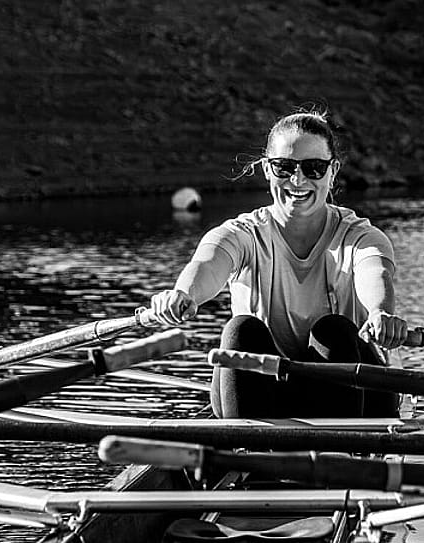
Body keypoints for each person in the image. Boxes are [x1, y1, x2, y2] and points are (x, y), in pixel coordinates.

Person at [150, 111, 409, 418]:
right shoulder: (242, 233)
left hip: (356, 393)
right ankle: (248, 449)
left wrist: (380, 312)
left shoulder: (360, 236)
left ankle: (339, 456)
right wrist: (184, 294)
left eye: (314, 168)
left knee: (334, 331)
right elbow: (208, 262)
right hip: (267, 387)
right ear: (266, 169)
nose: (298, 180)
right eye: (285, 167)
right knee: (241, 331)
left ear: (333, 170)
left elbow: (374, 272)